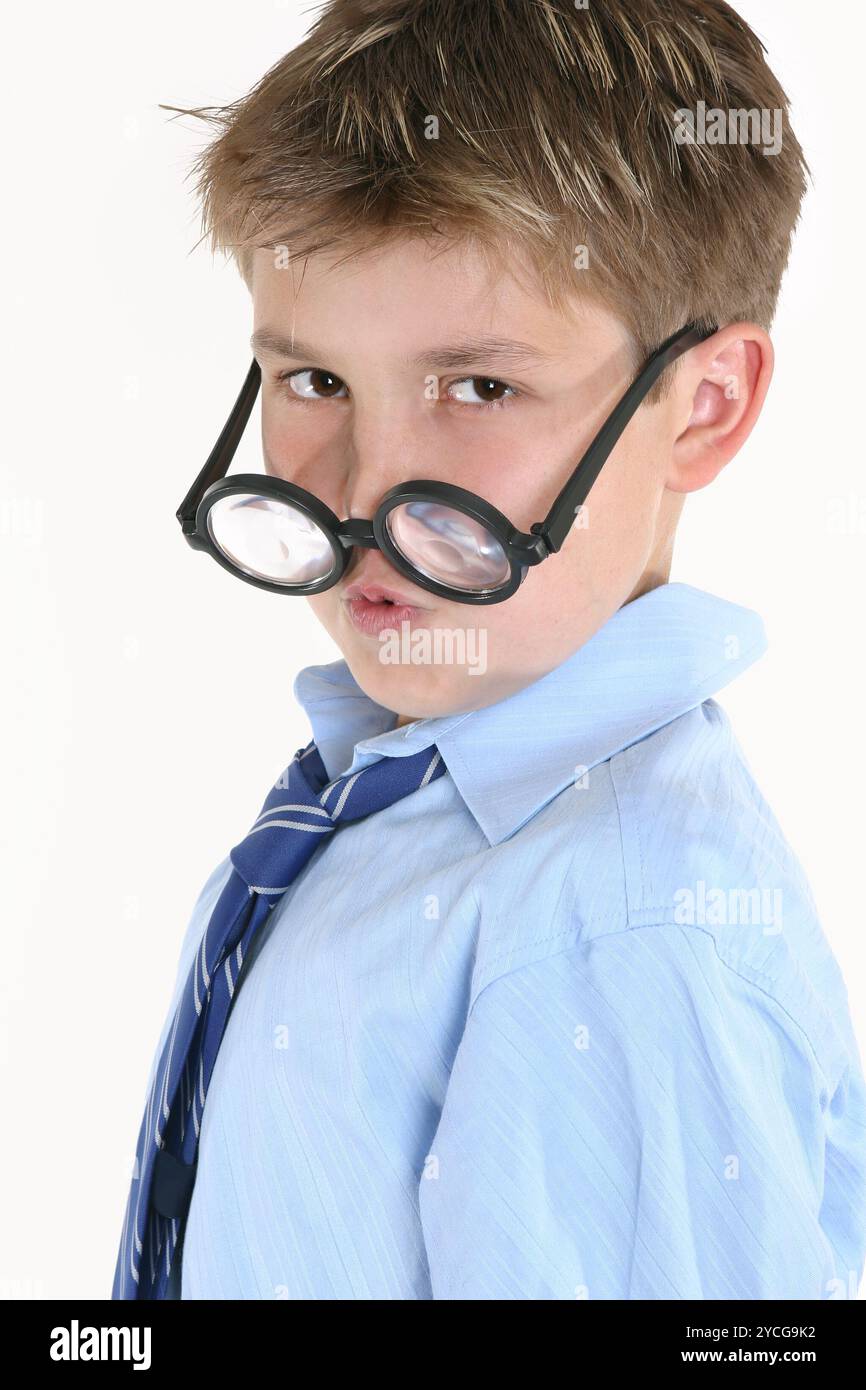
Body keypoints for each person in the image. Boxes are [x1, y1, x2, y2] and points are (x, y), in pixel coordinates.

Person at [113, 0, 866, 1299]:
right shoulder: (395, 804)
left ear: (703, 403)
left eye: (478, 388)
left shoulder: (615, 930)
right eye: (314, 383)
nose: (359, 495)